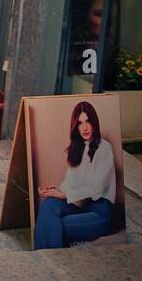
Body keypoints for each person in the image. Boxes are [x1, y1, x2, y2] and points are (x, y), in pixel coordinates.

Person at [34, 101, 117, 249]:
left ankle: (45, 259)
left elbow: (96, 189)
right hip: (84, 208)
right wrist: (55, 192)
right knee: (48, 204)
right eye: (79, 123)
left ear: (94, 123)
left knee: (52, 224)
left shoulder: (105, 148)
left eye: (87, 122)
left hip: (100, 215)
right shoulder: (78, 149)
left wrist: (64, 195)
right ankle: (45, 258)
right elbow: (69, 183)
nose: (84, 128)